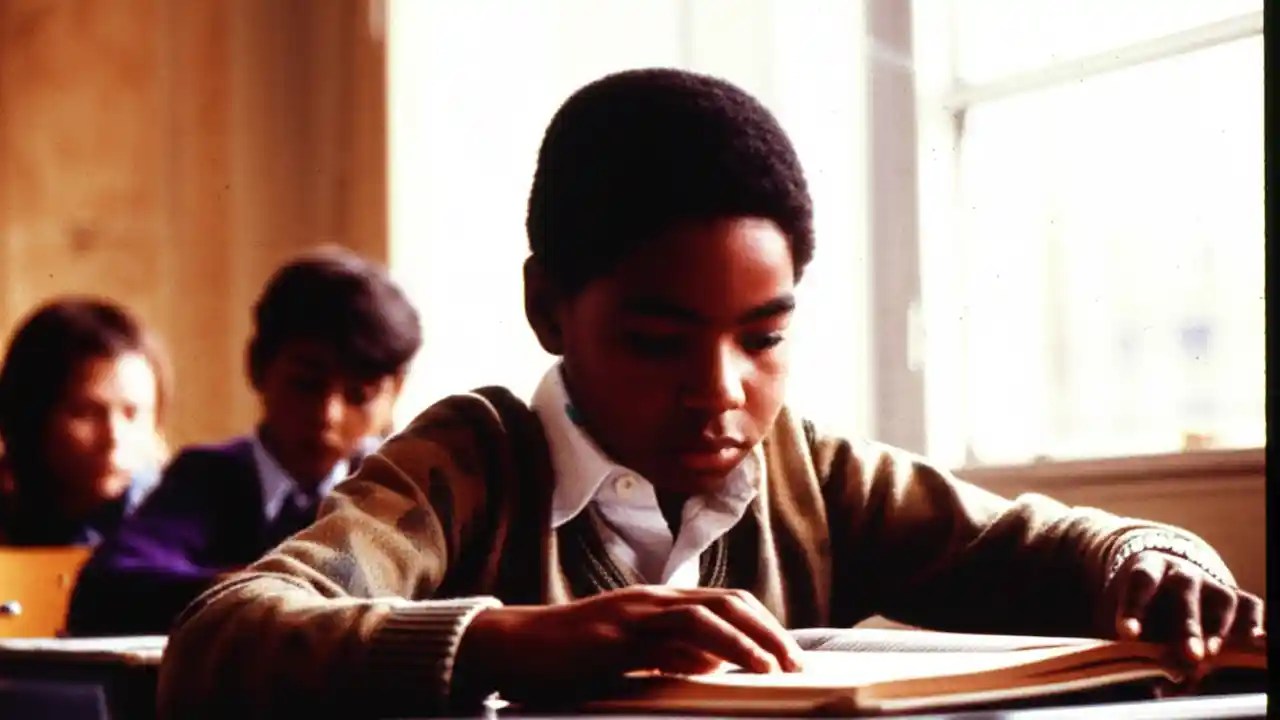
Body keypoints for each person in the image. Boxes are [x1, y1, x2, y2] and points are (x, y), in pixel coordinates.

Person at [156, 69, 1264, 719]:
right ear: (550, 311)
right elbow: (220, 640)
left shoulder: (813, 477)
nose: (719, 392)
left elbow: (1040, 543)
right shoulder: (465, 466)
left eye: (764, 336)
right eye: (654, 339)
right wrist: (508, 642)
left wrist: (1150, 561)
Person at [66, 247, 422, 636]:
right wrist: (270, 594)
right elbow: (107, 588)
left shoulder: (395, 489)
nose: (328, 415)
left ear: (396, 392)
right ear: (258, 366)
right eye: (305, 384)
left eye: (360, 394)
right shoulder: (210, 476)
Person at [0, 297, 169, 546]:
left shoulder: (179, 527)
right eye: (85, 412)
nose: (114, 438)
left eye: (132, 414)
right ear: (30, 417)